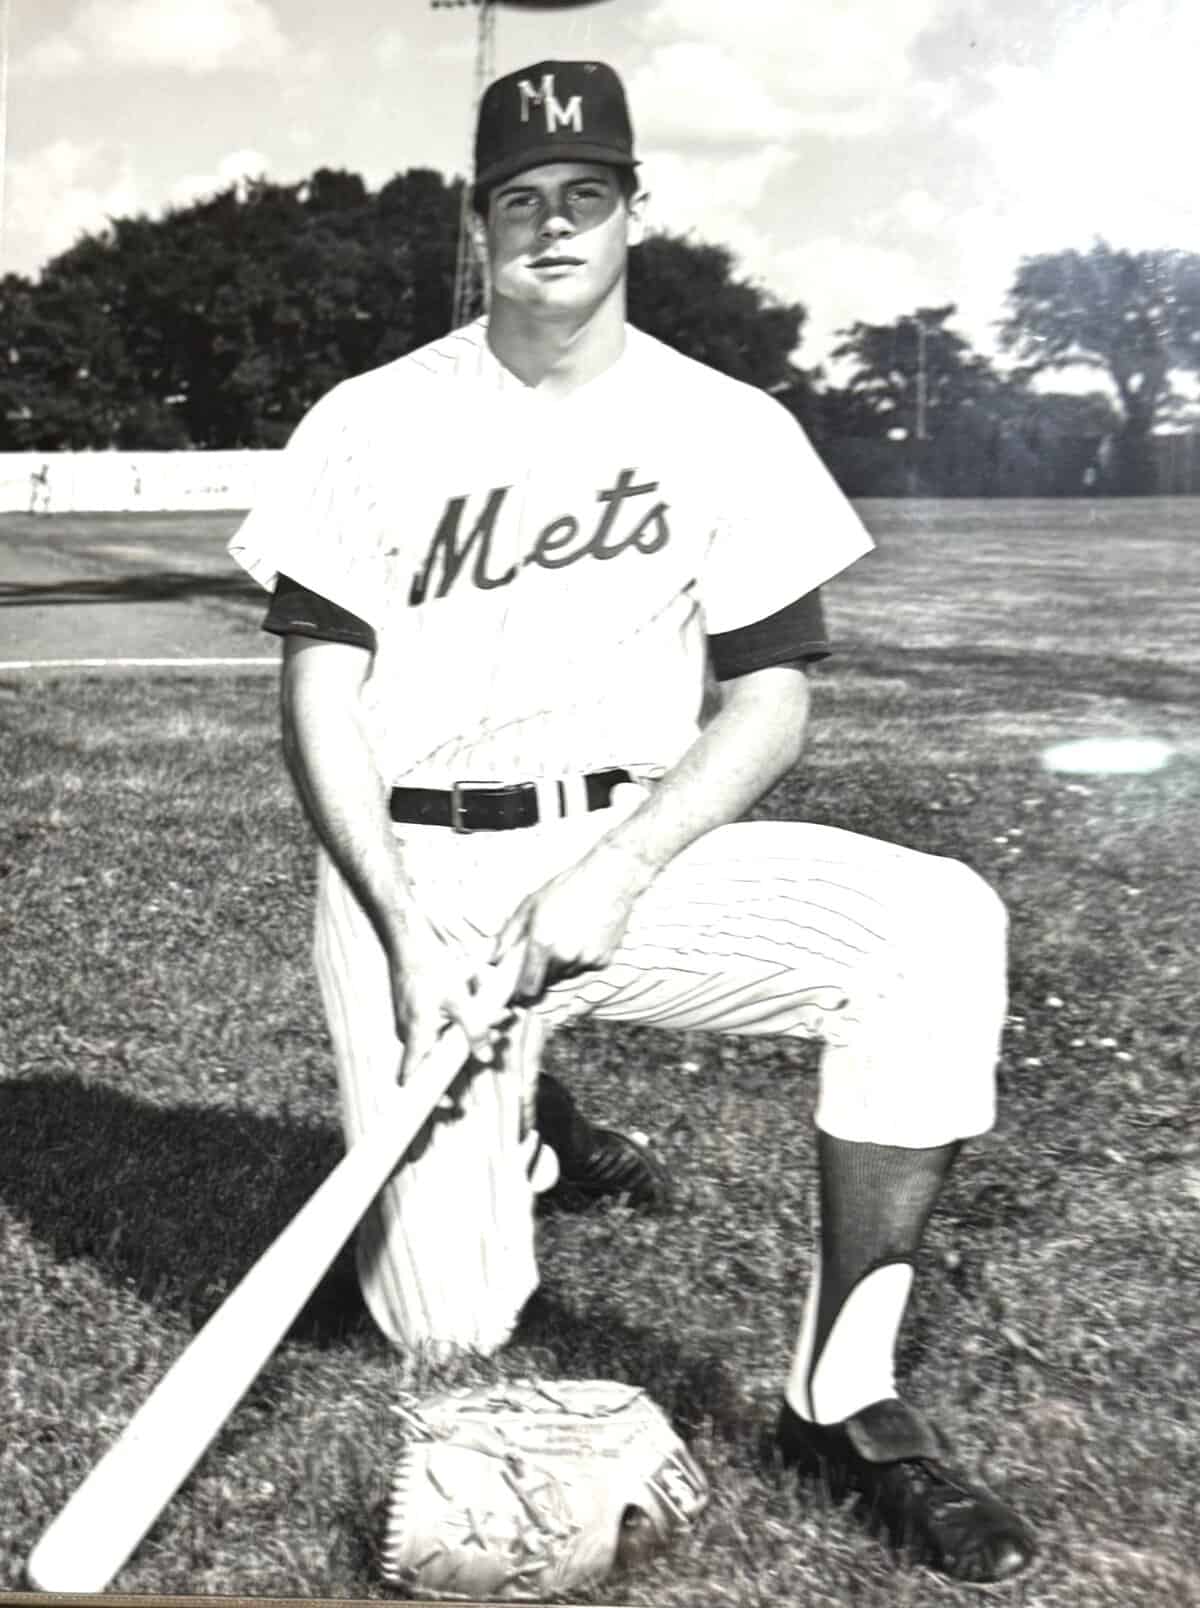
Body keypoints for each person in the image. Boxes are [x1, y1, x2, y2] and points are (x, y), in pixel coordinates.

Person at [228, 59, 1037, 1585]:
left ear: (632, 214)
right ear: (478, 227)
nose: (551, 225)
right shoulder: (372, 419)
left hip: (628, 854)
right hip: (417, 870)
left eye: (582, 195)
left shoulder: (726, 423)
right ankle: (524, 1116)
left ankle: (845, 1399)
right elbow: (319, 700)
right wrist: (401, 927)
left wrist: (618, 868)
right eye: (518, 200)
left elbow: (770, 699)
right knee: (453, 1327)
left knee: (933, 926)